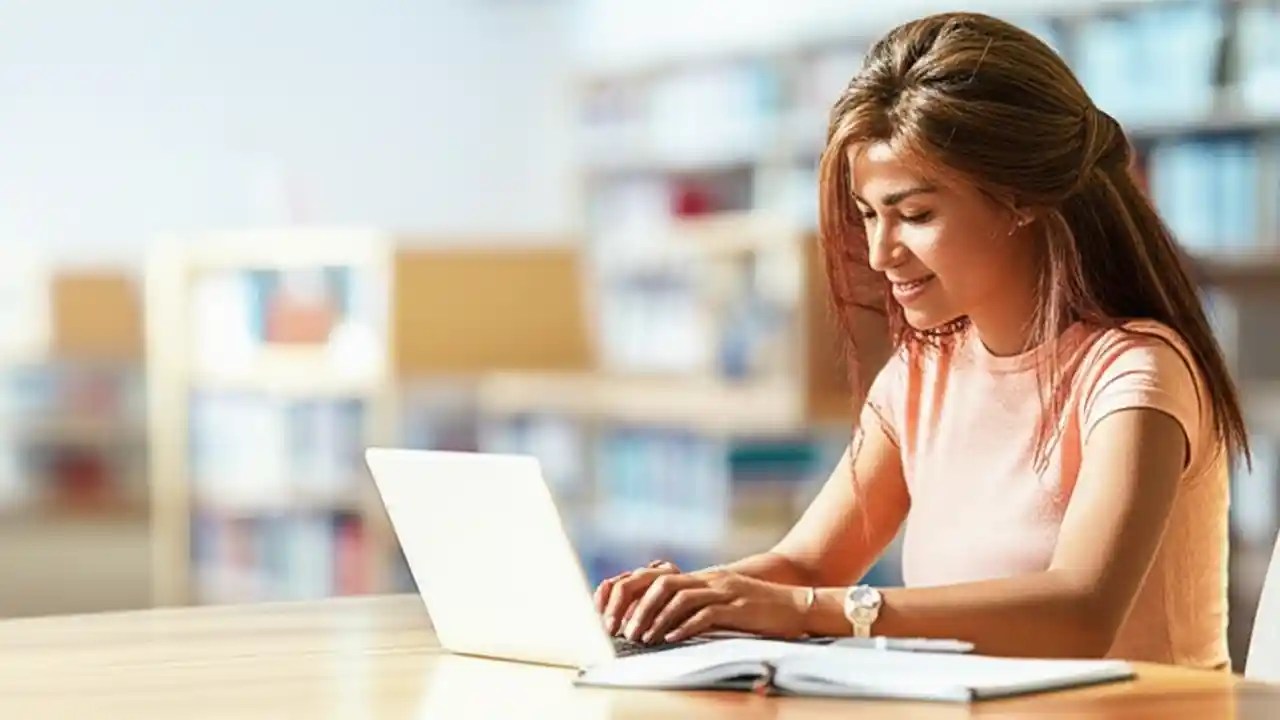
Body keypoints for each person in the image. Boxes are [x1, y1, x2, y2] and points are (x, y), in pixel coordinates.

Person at [592, 11, 1248, 670]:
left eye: (915, 215)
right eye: (868, 216)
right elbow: (807, 562)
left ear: (1019, 198)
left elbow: (1079, 613)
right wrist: (694, 598)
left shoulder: (1137, 371)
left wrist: (806, 612)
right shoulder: (921, 373)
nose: (881, 253)